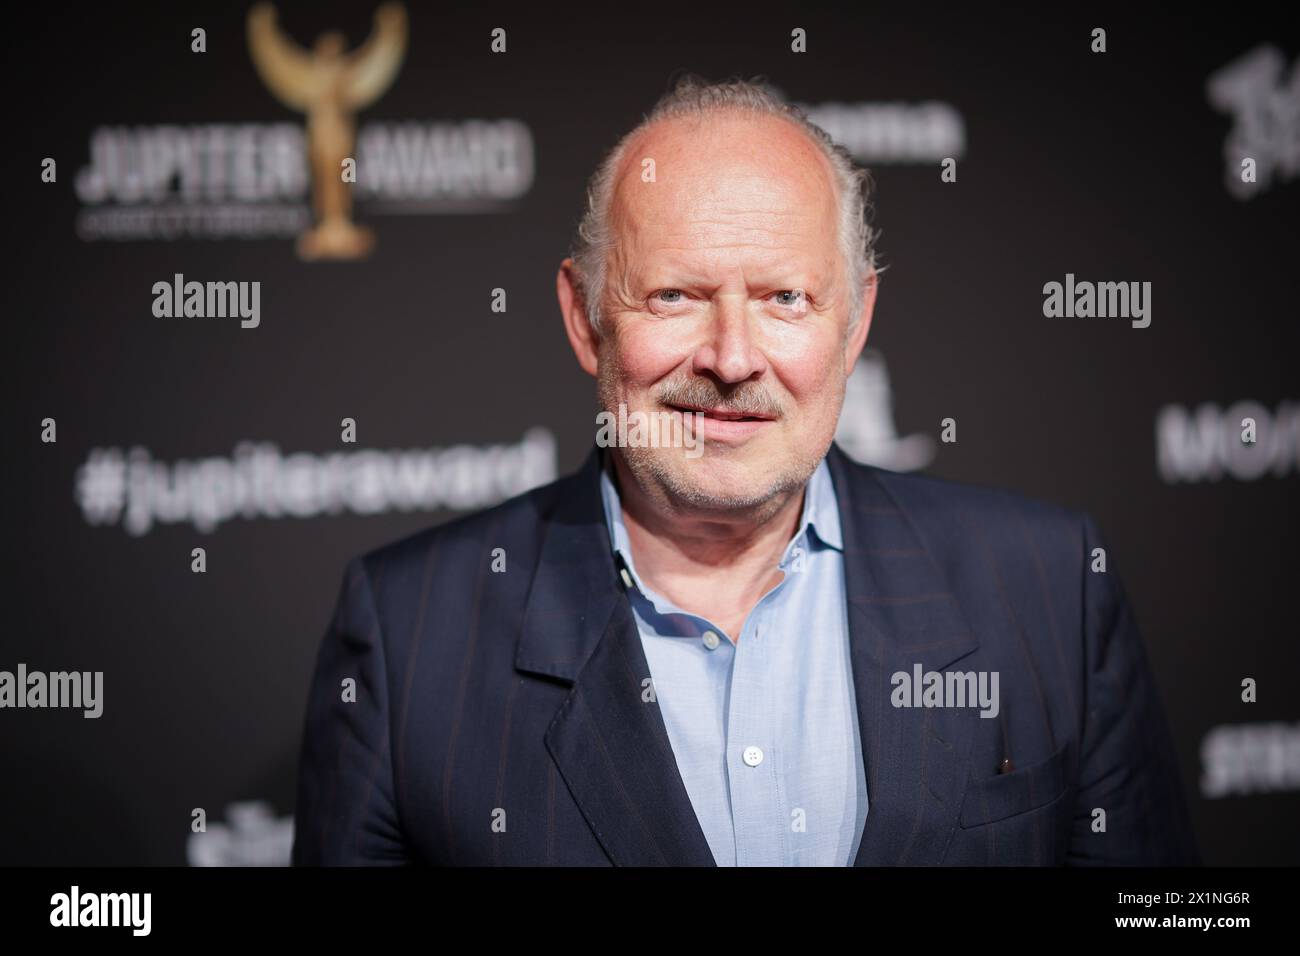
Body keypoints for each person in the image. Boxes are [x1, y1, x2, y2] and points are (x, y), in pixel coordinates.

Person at [292, 76, 1199, 866]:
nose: (731, 358)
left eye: (785, 299)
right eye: (675, 296)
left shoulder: (1048, 590)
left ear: (854, 324)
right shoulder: (409, 639)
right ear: (583, 319)